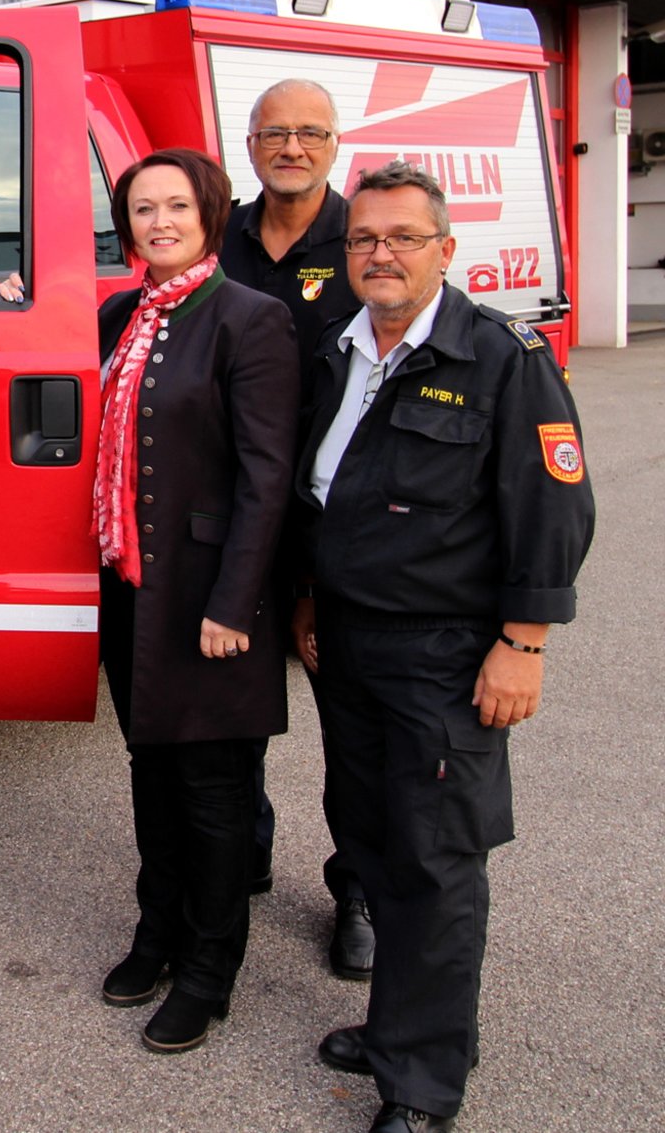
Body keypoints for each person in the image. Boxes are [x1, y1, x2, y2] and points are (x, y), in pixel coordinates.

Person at [289, 160, 593, 1133]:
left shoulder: (500, 359)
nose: (379, 254)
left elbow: (553, 508)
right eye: (363, 238)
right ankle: (399, 1028)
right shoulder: (338, 346)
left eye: (402, 238)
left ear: (443, 250)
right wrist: (305, 598)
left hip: (443, 655)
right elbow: (318, 492)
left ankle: (419, 1086)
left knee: (434, 860)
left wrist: (522, 642)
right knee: (371, 841)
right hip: (345, 642)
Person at [92, 147, 299, 1053]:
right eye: (143, 209)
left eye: (177, 206)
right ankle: (159, 932)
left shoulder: (252, 320)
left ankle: (212, 968)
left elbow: (267, 478)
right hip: (135, 587)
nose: (160, 222)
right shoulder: (116, 313)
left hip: (211, 598)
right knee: (152, 774)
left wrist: (235, 604)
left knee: (215, 791)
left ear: (210, 214)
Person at [218, 78, 373, 981]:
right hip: (236, 516)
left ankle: (356, 888)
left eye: (309, 132)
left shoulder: (364, 241)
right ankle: (242, 851)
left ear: (334, 142)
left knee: (350, 722)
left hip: (331, 523)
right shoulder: (220, 232)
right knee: (231, 705)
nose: (291, 146)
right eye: (275, 131)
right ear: (250, 141)